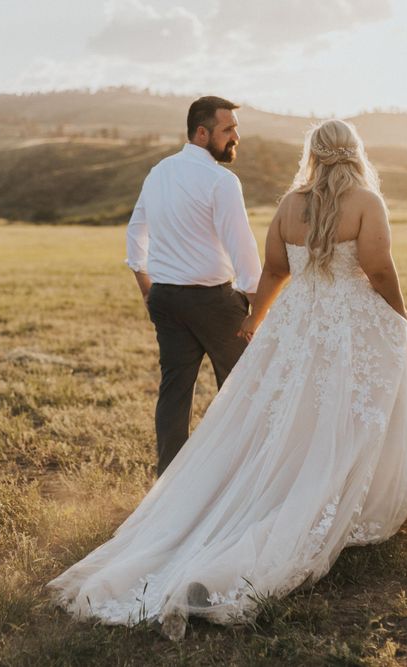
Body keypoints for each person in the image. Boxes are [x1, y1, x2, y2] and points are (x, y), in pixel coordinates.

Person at [47, 118, 407, 640]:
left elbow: (275, 269)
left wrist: (256, 319)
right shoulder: (366, 202)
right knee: (362, 406)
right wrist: (399, 315)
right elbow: (377, 268)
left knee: (293, 412)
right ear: (354, 152)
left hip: (299, 324)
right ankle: (334, 495)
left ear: (312, 153)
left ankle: (292, 482)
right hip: (349, 322)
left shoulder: (290, 205)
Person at [125, 95, 262, 476]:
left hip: (165, 297)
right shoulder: (221, 181)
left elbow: (137, 229)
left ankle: (169, 482)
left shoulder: (159, 172)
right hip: (213, 302)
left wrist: (145, 283)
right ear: (201, 133)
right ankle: (240, 476)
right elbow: (243, 247)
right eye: (228, 129)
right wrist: (257, 306)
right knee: (241, 390)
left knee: (174, 393)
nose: (236, 136)